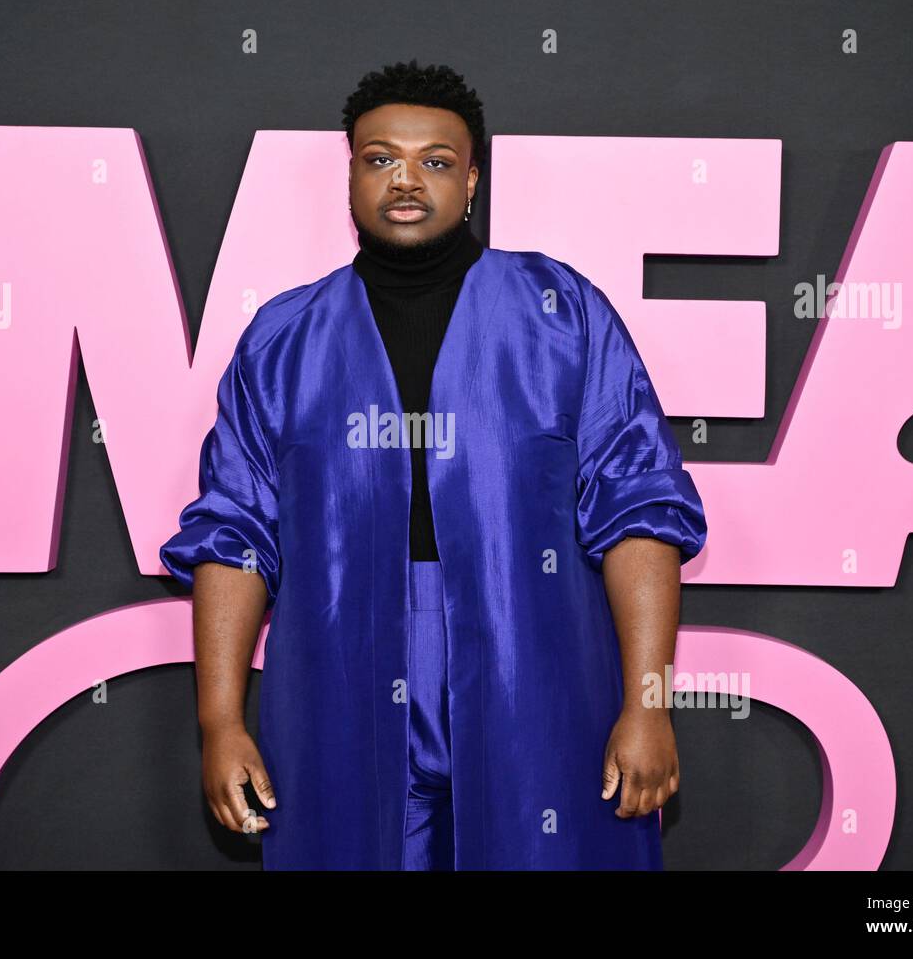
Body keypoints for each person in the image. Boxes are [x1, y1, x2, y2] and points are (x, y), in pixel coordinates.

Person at [161, 59, 708, 870]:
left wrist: (647, 705)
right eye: (380, 158)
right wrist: (221, 721)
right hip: (338, 678)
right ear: (349, 174)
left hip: (539, 670)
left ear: (473, 179)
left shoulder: (564, 315)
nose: (406, 180)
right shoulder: (282, 341)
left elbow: (638, 512)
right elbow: (235, 533)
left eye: (436, 161)